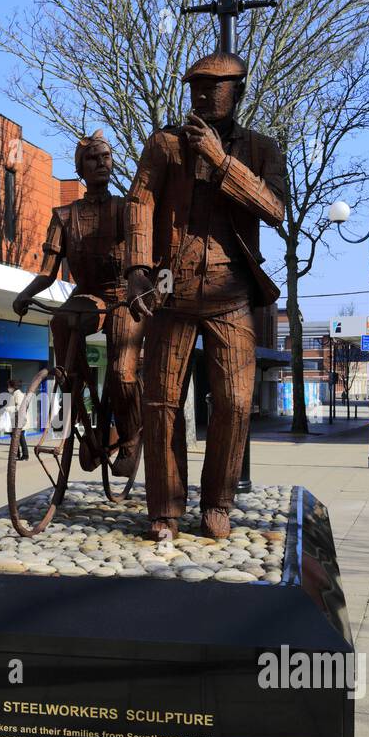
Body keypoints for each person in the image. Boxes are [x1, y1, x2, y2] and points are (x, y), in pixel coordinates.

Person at [125, 51, 287, 540]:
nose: (204, 92)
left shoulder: (260, 149)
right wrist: (136, 268)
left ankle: (218, 502)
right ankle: (165, 510)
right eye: (197, 84)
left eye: (216, 86)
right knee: (161, 401)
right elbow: (140, 201)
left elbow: (274, 208)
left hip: (230, 290)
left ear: (238, 91)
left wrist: (221, 161)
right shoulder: (164, 145)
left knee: (236, 402)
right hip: (171, 289)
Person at [12, 130, 143, 478]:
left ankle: (130, 438)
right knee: (61, 320)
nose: (101, 163)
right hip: (87, 291)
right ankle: (76, 387)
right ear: (80, 169)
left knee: (121, 372)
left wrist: (141, 290)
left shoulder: (124, 209)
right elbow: (47, 272)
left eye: (106, 157)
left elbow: (140, 257)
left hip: (121, 295)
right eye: (92, 158)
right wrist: (26, 294)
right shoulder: (65, 216)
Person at [7, 379, 29, 460]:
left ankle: (24, 455)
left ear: (13, 386)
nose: (8, 388)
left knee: (20, 438)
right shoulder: (15, 394)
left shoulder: (18, 395)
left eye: (9, 386)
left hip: (18, 420)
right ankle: (18, 454)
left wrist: (9, 409)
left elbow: (19, 407)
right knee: (17, 437)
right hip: (16, 420)